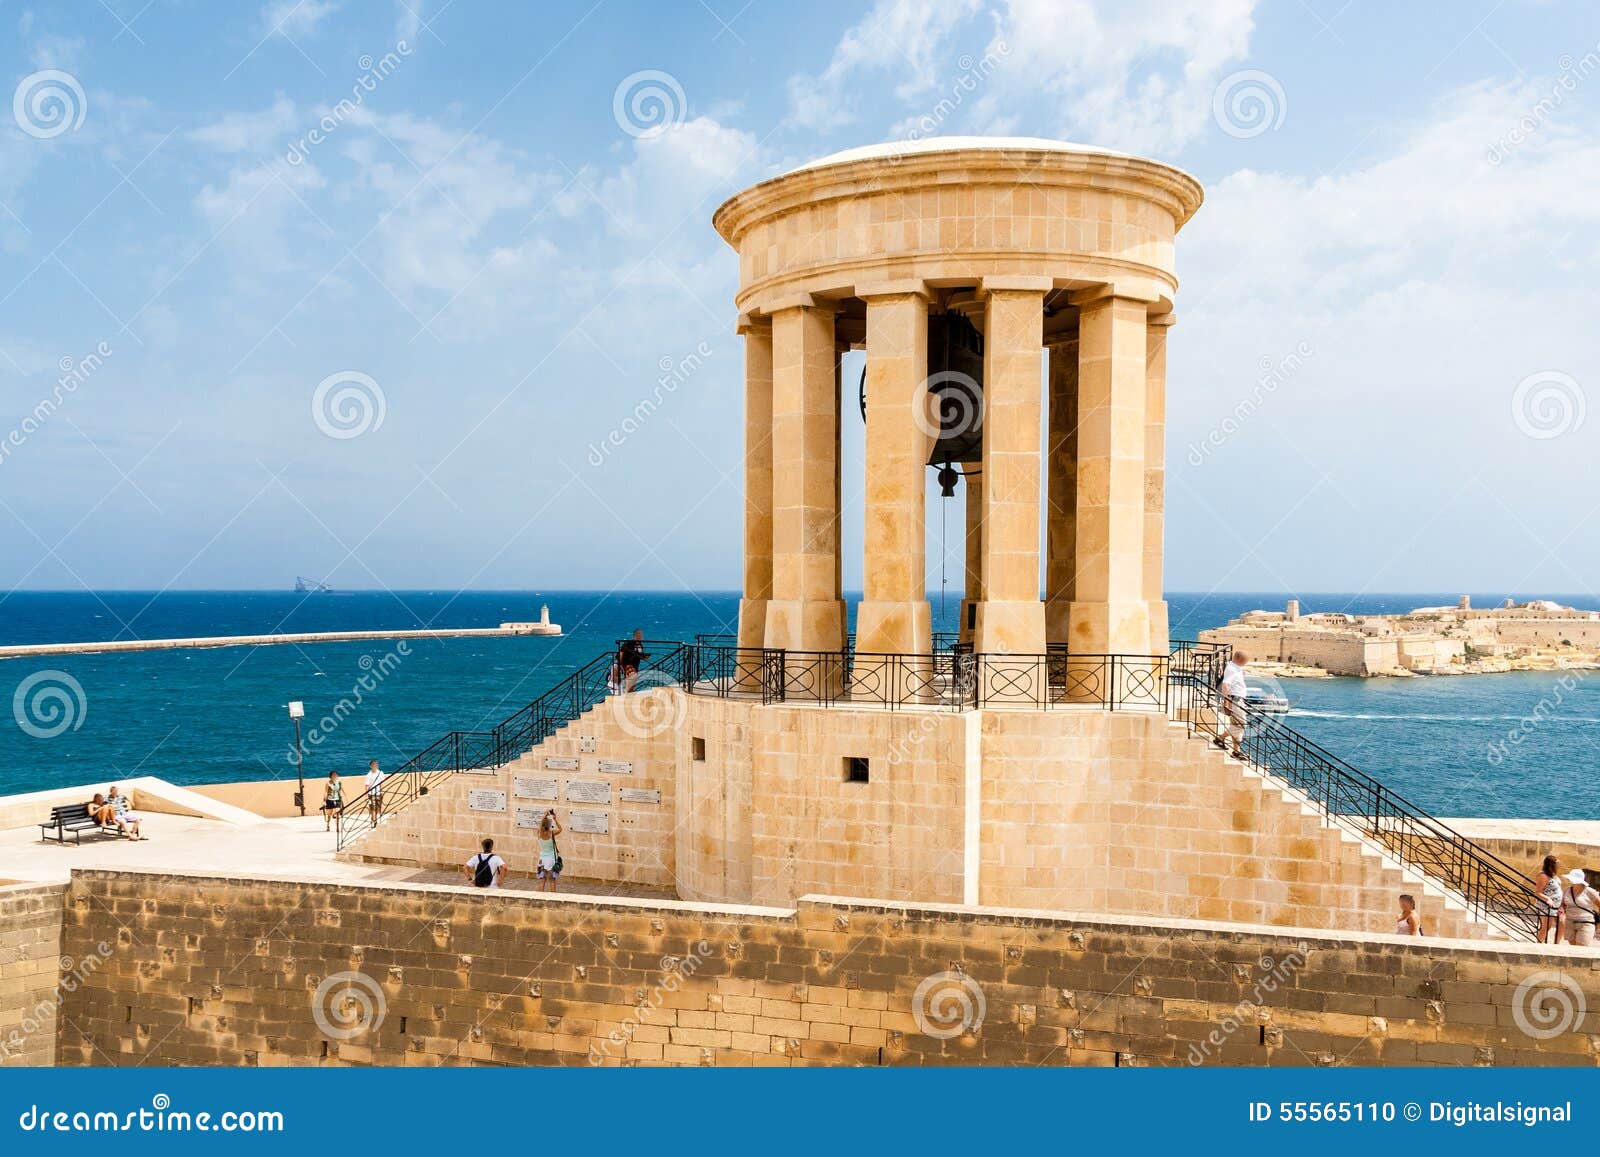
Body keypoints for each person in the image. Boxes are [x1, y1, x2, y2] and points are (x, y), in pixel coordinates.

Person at [1215, 649, 1250, 759]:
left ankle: (1236, 752)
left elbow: (1237, 674)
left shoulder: (1236, 668)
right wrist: (1227, 700)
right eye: (1245, 661)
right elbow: (1226, 685)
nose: (1245, 663)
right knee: (1241, 724)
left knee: (1236, 725)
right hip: (1235, 700)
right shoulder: (1231, 669)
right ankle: (1220, 738)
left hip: (1238, 699)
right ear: (1240, 660)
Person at [1536, 854, 1566, 944]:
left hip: (1557, 906)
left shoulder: (1553, 875)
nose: (1558, 865)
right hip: (1547, 906)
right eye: (1556, 863)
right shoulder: (1543, 876)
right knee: (1546, 927)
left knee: (1562, 923)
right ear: (1551, 864)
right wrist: (1547, 899)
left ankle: (1556, 944)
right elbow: (1538, 892)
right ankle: (1538, 944)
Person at [1564, 868, 1598, 947]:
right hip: (1570, 923)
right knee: (1573, 949)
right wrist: (1561, 909)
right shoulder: (1568, 890)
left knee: (1580, 949)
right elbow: (1563, 903)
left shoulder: (1589, 891)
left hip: (1585, 923)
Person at [536, 809, 563, 892]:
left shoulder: (539, 833)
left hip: (542, 860)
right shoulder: (551, 833)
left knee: (542, 880)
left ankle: (540, 898)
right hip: (551, 859)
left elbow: (540, 826)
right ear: (549, 825)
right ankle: (552, 899)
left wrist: (544, 816)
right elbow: (560, 829)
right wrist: (555, 819)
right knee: (552, 881)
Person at [364, 760, 386, 825]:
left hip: (379, 793)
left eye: (376, 764)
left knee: (377, 808)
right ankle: (374, 821)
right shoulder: (368, 775)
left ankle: (373, 818)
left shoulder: (380, 773)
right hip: (371, 794)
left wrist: (382, 791)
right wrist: (366, 795)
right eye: (373, 765)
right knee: (373, 808)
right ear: (370, 766)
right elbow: (367, 785)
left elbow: (382, 783)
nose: (375, 766)